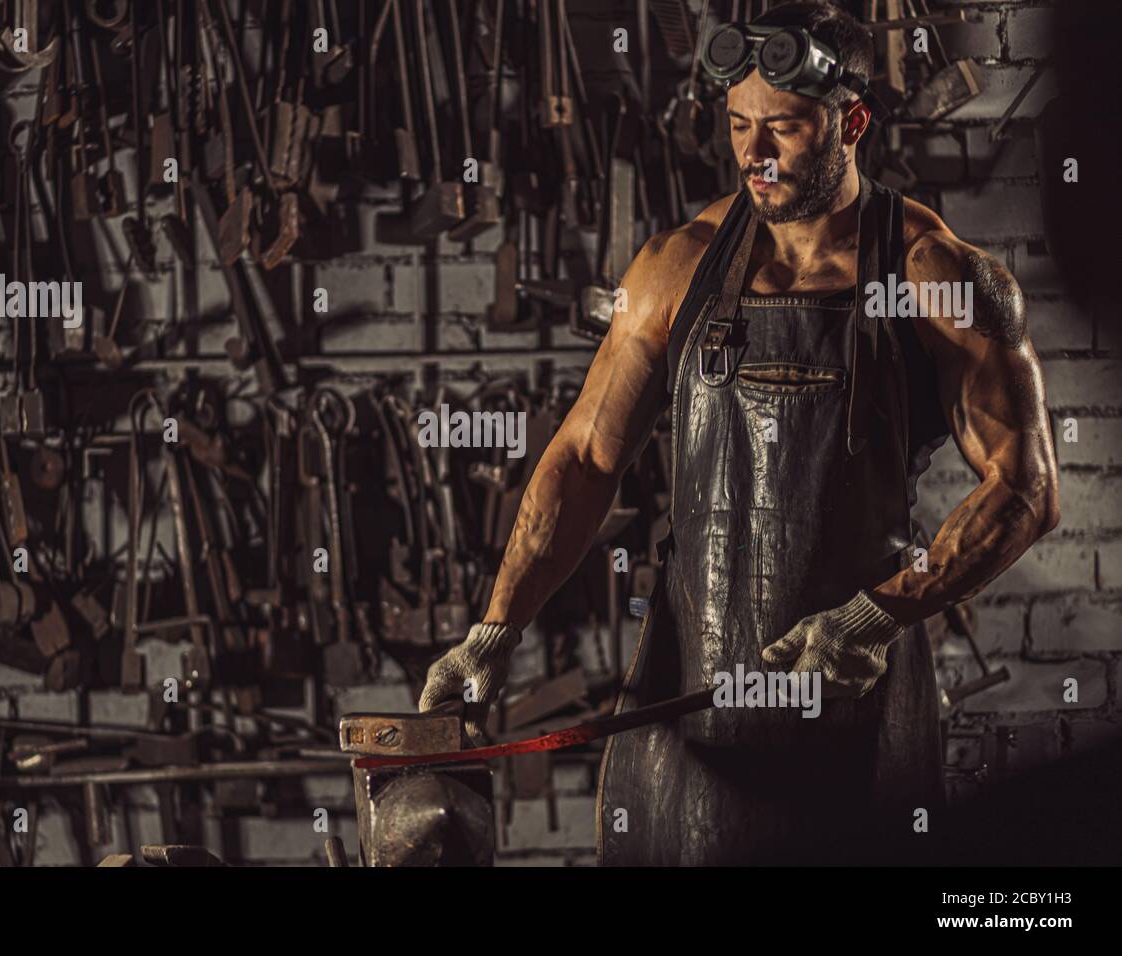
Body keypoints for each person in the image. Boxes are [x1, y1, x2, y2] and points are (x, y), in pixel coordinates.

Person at [419, 1, 1059, 864]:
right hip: (690, 711)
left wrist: (875, 618)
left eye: (784, 129)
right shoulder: (675, 265)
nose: (754, 153)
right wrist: (495, 629)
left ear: (852, 121)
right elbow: (584, 458)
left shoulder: (934, 276)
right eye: (738, 125)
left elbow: (1024, 489)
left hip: (854, 710)